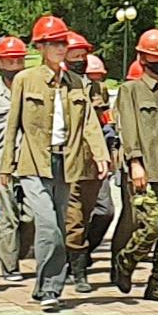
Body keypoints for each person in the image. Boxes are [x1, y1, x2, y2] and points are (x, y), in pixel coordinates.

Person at [0, 15, 108, 313]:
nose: (61, 48)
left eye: (63, 42)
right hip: (33, 163)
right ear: (41, 47)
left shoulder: (75, 83)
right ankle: (49, 288)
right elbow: (12, 126)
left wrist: (100, 154)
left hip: (65, 162)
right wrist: (6, 164)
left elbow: (88, 123)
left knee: (61, 225)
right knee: (47, 226)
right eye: (54, 43)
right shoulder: (25, 79)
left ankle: (45, 285)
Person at [110, 29, 158, 300]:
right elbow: (128, 128)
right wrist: (134, 162)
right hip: (145, 170)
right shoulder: (130, 90)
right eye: (153, 57)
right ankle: (126, 261)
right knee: (150, 226)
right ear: (141, 58)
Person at [66, 35, 117, 295]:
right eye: (75, 55)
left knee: (104, 211)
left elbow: (105, 123)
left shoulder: (97, 90)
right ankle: (77, 270)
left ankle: (82, 254)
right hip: (70, 160)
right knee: (74, 219)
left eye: (83, 55)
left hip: (97, 160)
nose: (80, 60)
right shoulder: (60, 86)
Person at [0, 35, 32, 282]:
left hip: (32, 162)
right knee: (8, 216)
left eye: (18, 60)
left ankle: (19, 253)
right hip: (2, 163)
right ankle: (10, 267)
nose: (13, 65)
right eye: (8, 60)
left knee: (31, 216)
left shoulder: (33, 91)